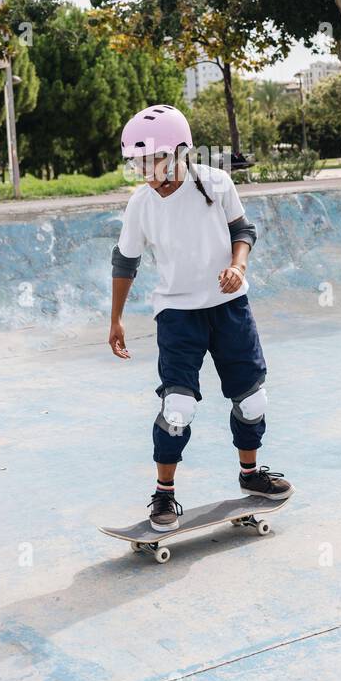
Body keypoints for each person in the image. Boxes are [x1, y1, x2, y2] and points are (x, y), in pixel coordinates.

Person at [109, 103, 293, 531]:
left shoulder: (216, 182)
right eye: (137, 162)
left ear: (178, 152)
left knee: (251, 400)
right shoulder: (141, 204)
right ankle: (164, 495)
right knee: (177, 408)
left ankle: (251, 474)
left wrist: (238, 267)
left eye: (151, 159)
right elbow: (125, 262)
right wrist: (116, 319)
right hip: (176, 314)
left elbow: (243, 231)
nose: (144, 169)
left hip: (230, 307)